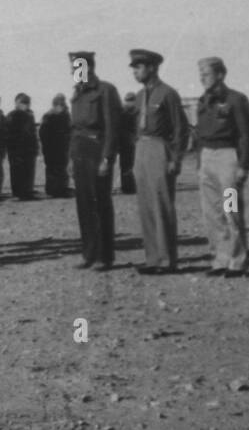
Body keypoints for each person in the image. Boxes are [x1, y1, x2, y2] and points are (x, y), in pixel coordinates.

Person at [195, 57, 249, 277]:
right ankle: (220, 258)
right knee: (211, 212)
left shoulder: (236, 100)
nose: (202, 78)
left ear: (220, 74)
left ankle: (237, 260)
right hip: (208, 158)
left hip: (227, 158)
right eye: (200, 74)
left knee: (231, 210)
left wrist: (244, 166)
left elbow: (247, 134)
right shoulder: (203, 100)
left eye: (207, 74)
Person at [129, 49, 189, 274]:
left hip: (159, 148)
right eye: (133, 68)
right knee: (145, 206)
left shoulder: (168, 93)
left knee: (161, 205)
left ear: (152, 67)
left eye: (139, 67)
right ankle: (152, 258)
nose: (135, 71)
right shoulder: (139, 95)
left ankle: (166, 260)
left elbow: (180, 128)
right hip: (142, 149)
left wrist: (176, 158)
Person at [68, 51, 122, 270]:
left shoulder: (106, 91)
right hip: (80, 150)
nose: (73, 71)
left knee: (100, 204)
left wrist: (107, 158)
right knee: (83, 204)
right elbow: (74, 129)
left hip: (97, 149)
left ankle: (104, 256)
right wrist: (70, 159)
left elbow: (112, 127)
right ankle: (88, 253)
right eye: (72, 68)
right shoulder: (77, 93)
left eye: (77, 67)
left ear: (89, 67)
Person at [5, 93, 38, 199]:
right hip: (16, 149)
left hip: (28, 149)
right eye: (23, 103)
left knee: (28, 171)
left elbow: (32, 133)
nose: (26, 105)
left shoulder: (30, 115)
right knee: (17, 170)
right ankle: (19, 192)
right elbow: (8, 133)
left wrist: (35, 147)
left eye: (27, 103)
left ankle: (27, 191)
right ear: (17, 103)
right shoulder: (12, 115)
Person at [39, 94, 72, 197]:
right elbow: (43, 133)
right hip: (52, 148)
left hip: (62, 148)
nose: (61, 107)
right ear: (55, 105)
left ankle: (61, 188)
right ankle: (53, 190)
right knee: (53, 169)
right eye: (60, 104)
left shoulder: (65, 115)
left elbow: (69, 130)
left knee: (61, 168)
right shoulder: (49, 116)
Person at [118, 92, 138, 194]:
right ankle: (128, 187)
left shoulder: (123, 110)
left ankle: (127, 187)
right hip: (127, 141)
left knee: (126, 165)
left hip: (125, 141)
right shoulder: (130, 112)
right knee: (127, 165)